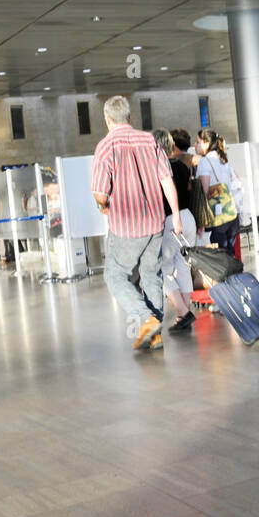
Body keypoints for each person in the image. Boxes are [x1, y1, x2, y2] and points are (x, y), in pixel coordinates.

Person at [90, 95, 182, 351]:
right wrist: (175, 214)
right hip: (155, 222)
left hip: (126, 227)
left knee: (115, 275)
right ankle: (155, 335)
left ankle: (146, 320)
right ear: (130, 117)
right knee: (151, 275)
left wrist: (104, 206)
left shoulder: (105, 147)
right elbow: (166, 180)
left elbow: (99, 193)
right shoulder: (149, 140)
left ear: (107, 120)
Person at [154, 129, 197, 331]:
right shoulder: (182, 165)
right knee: (183, 265)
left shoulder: (159, 169)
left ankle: (183, 312)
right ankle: (184, 316)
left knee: (162, 269)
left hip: (172, 219)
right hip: (189, 218)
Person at [195, 128, 241, 253]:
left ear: (206, 143)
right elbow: (237, 181)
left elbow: (204, 192)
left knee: (220, 256)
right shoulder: (223, 160)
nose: (195, 145)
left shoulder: (204, 161)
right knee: (230, 253)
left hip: (216, 218)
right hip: (231, 215)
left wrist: (201, 221)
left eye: (198, 142)